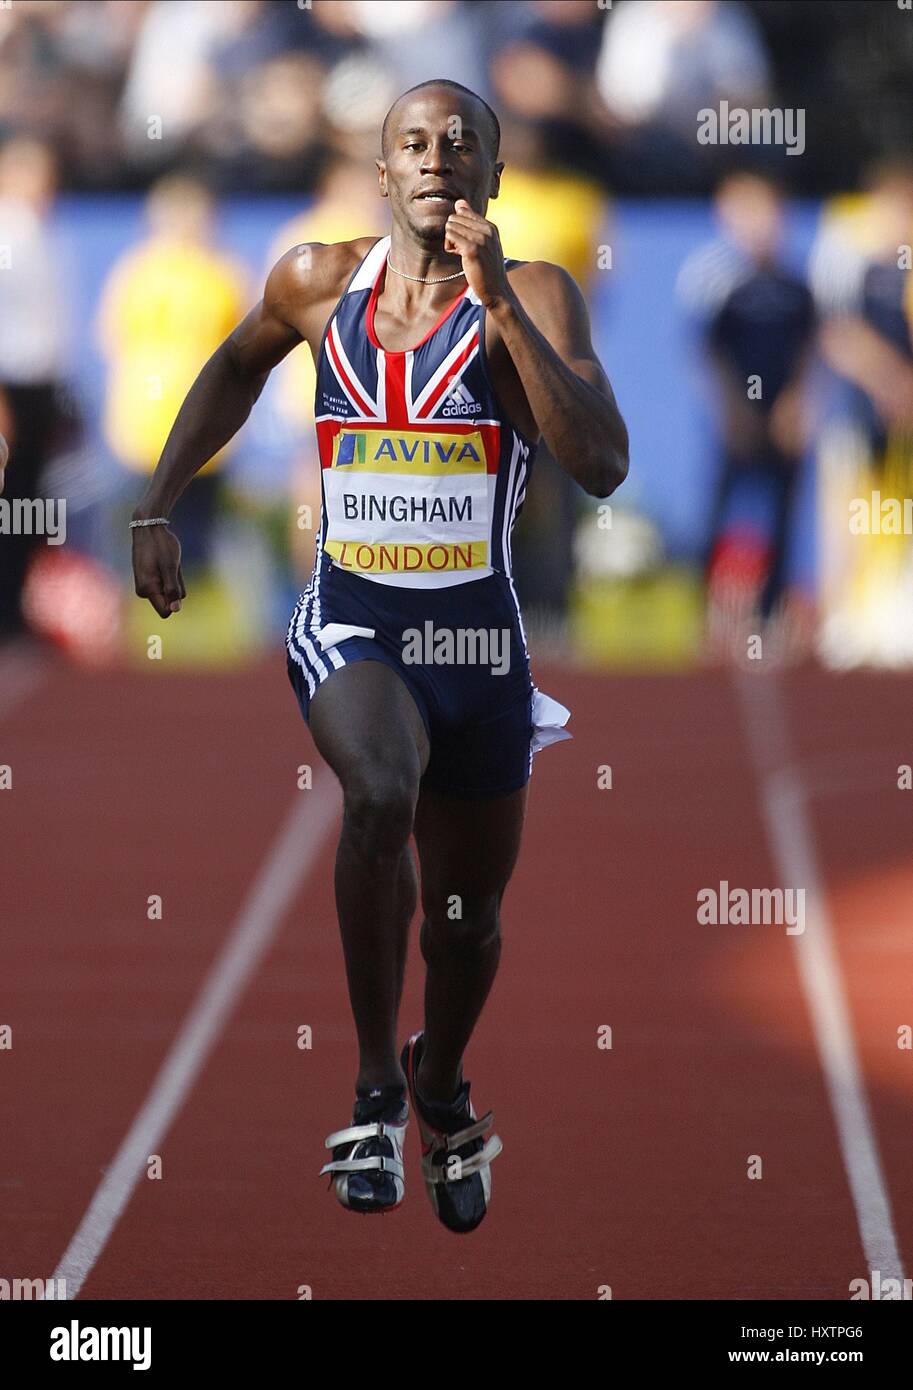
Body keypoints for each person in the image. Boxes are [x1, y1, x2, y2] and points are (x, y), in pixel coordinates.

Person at [131, 80, 628, 1234]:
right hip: (352, 617)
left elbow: (598, 461)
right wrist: (159, 499)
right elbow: (234, 366)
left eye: (462, 144)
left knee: (466, 925)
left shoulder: (540, 293)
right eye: (412, 142)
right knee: (377, 785)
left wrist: (500, 304)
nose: (436, 158)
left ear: (495, 179)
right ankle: (369, 1088)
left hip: (480, 643)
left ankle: (438, 1082)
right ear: (382, 171)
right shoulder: (316, 280)